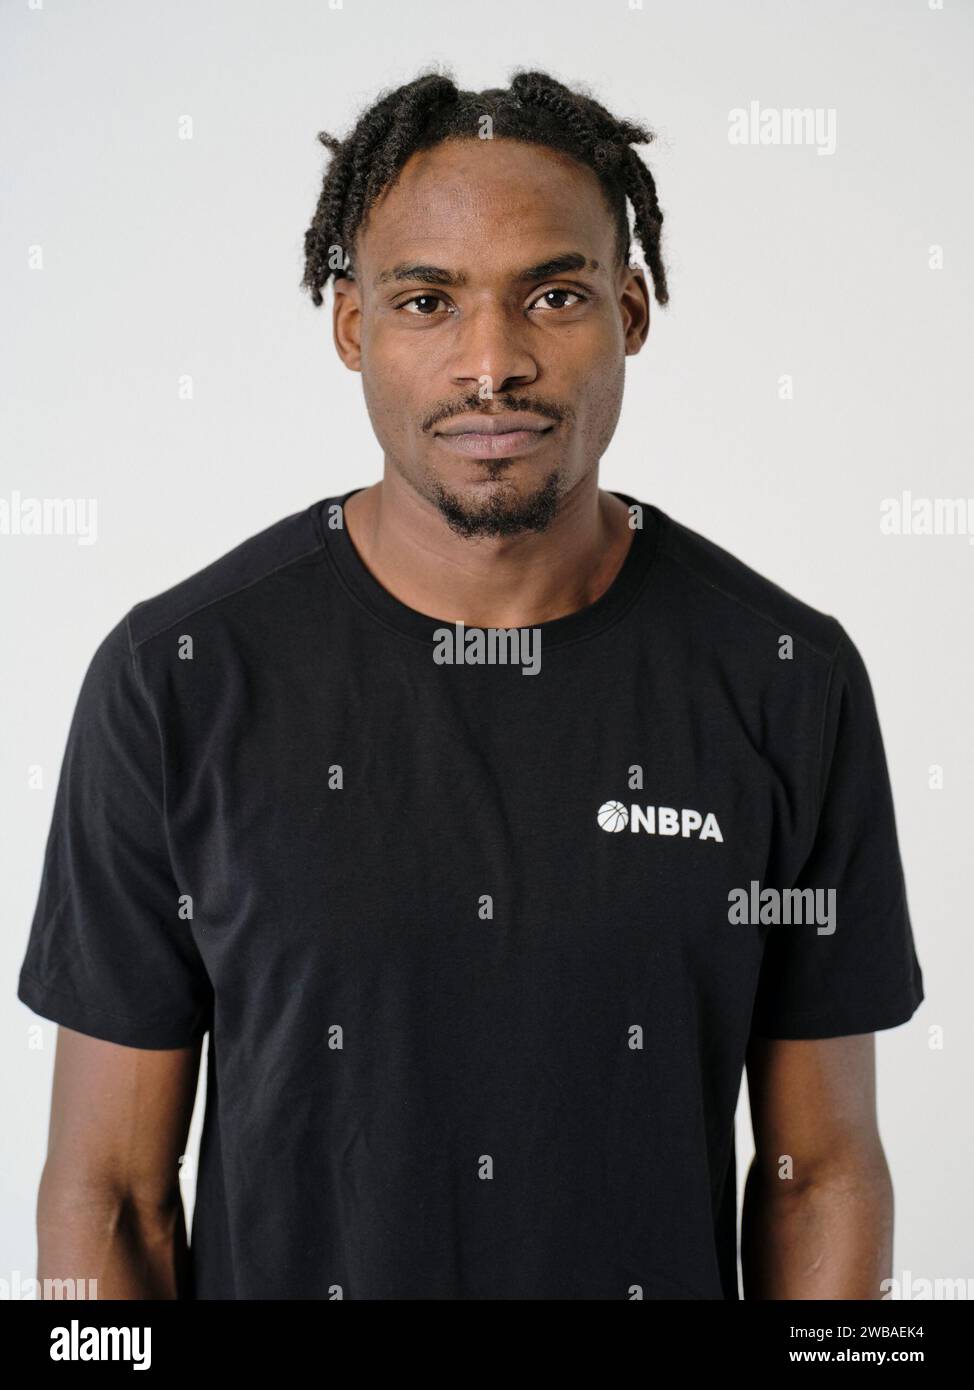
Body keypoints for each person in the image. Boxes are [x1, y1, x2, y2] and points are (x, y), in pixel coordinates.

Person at [18, 69, 924, 1300]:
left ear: (632, 311)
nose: (490, 364)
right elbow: (108, 1195)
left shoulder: (784, 680)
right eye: (426, 300)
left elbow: (818, 1171)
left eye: (552, 294)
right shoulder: (176, 680)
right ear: (351, 326)